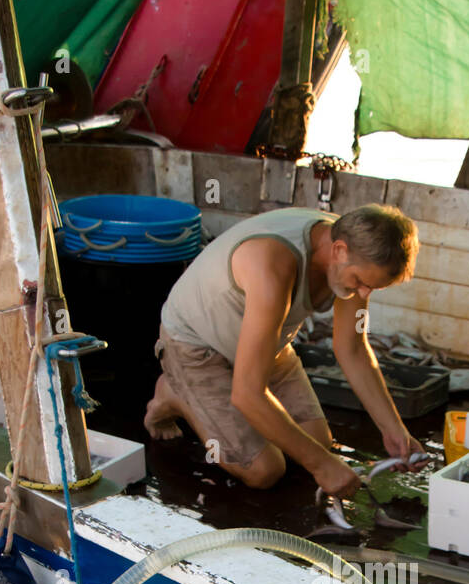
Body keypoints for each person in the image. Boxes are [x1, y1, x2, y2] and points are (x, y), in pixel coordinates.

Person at [145, 203, 424, 495]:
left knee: (317, 442)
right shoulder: (272, 263)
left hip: (268, 344)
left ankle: (199, 398)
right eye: (361, 283)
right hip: (197, 347)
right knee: (265, 470)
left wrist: (394, 429)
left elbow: (352, 348)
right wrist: (322, 467)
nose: (363, 294)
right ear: (339, 250)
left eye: (373, 288)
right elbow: (248, 394)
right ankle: (176, 394)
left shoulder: (354, 250)